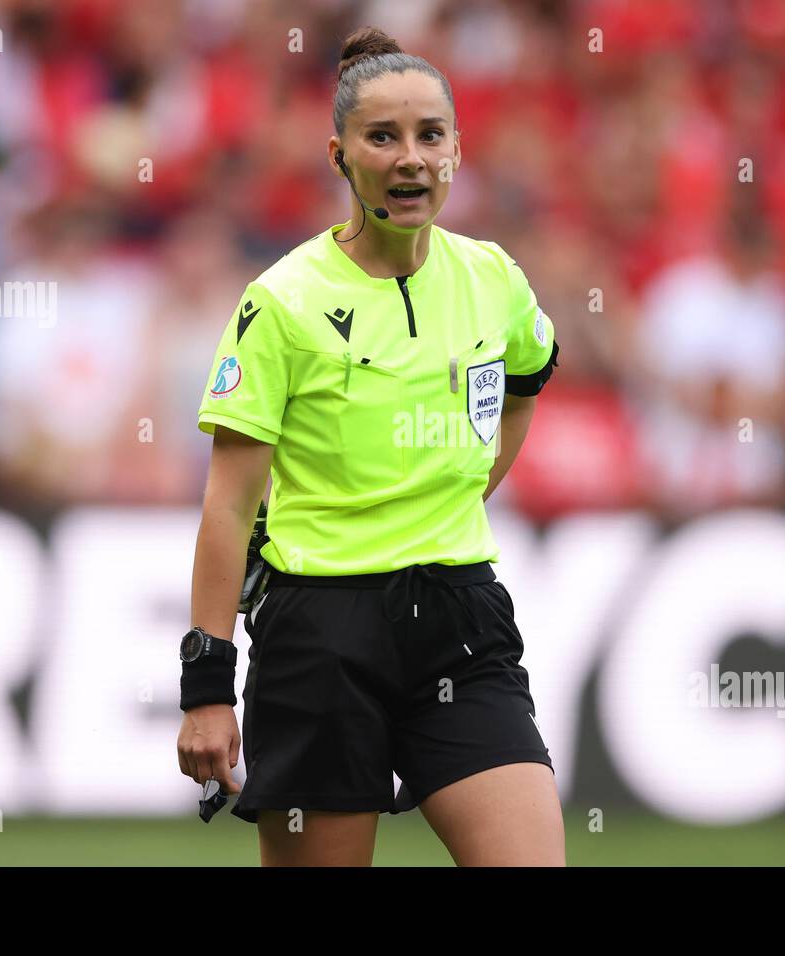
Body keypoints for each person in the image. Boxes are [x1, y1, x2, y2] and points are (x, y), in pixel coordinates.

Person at [175, 27, 564, 866]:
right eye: (382, 137)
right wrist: (206, 688)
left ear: (459, 148)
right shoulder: (281, 301)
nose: (411, 158)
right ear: (339, 154)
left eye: (430, 135)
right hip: (320, 638)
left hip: (461, 621)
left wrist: (453, 498)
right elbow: (228, 503)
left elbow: (528, 377)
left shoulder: (494, 278)